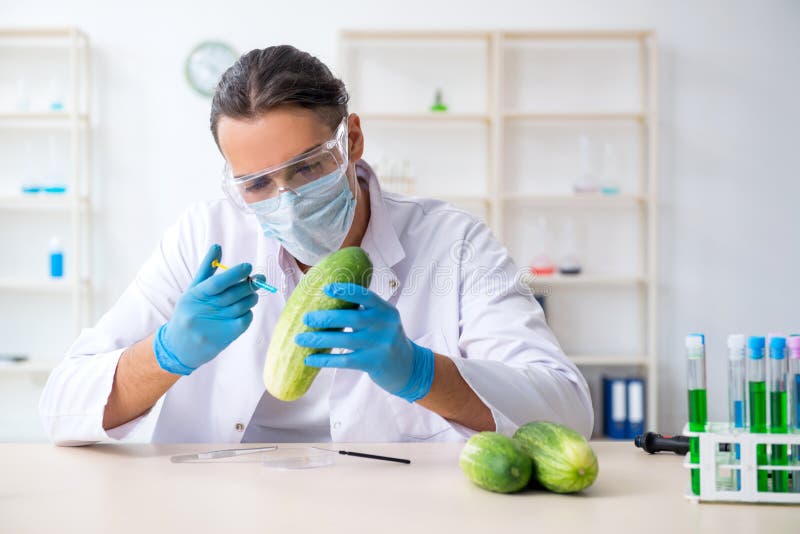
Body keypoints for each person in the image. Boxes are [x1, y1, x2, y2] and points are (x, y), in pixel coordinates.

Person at [39, 45, 593, 445]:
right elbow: (61, 408)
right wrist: (165, 353)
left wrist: (422, 372)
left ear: (350, 139)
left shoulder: (455, 244)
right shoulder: (204, 237)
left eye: (306, 167)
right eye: (256, 183)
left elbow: (569, 413)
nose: (286, 199)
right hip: (223, 508)